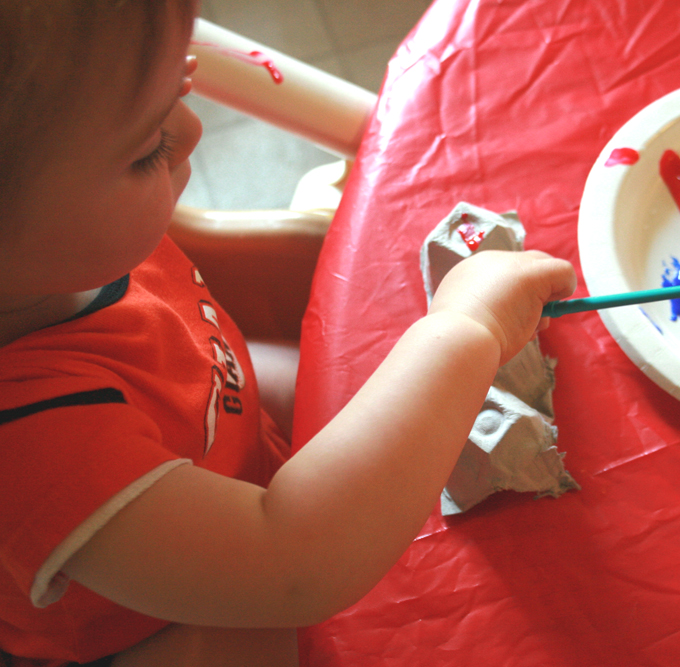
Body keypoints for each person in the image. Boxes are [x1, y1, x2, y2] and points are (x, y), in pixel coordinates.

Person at [0, 1, 577, 665]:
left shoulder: (57, 256)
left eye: (177, 93)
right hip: (166, 615)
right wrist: (462, 328)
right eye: (148, 147)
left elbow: (219, 306)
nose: (190, 132)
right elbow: (295, 562)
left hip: (226, 430)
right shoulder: (31, 447)